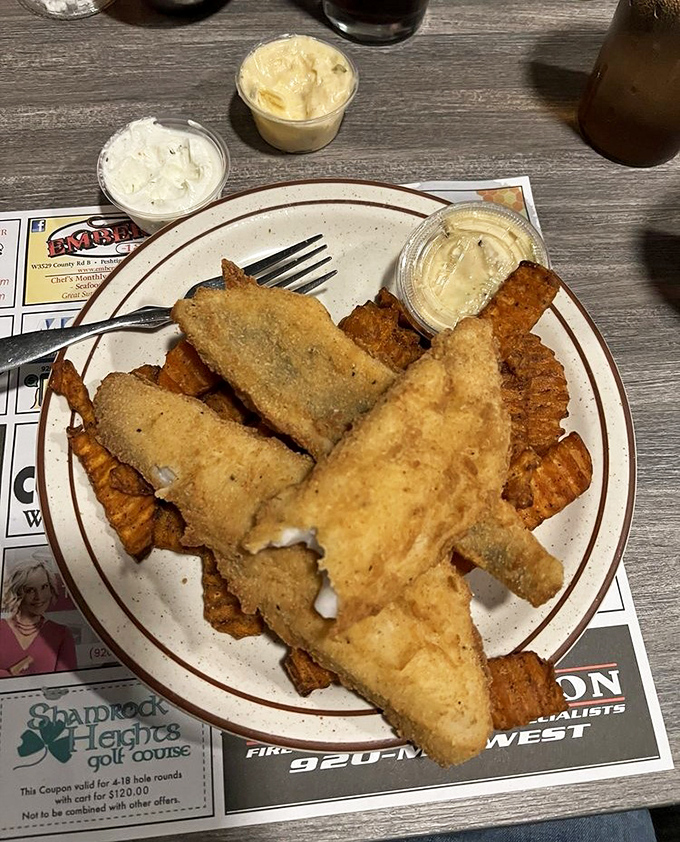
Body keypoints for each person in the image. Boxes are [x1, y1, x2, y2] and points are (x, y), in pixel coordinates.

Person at [0, 559, 77, 677]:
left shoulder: (61, 634)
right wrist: (9, 674)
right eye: (30, 590)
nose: (39, 596)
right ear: (17, 592)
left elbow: (67, 684)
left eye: (44, 587)